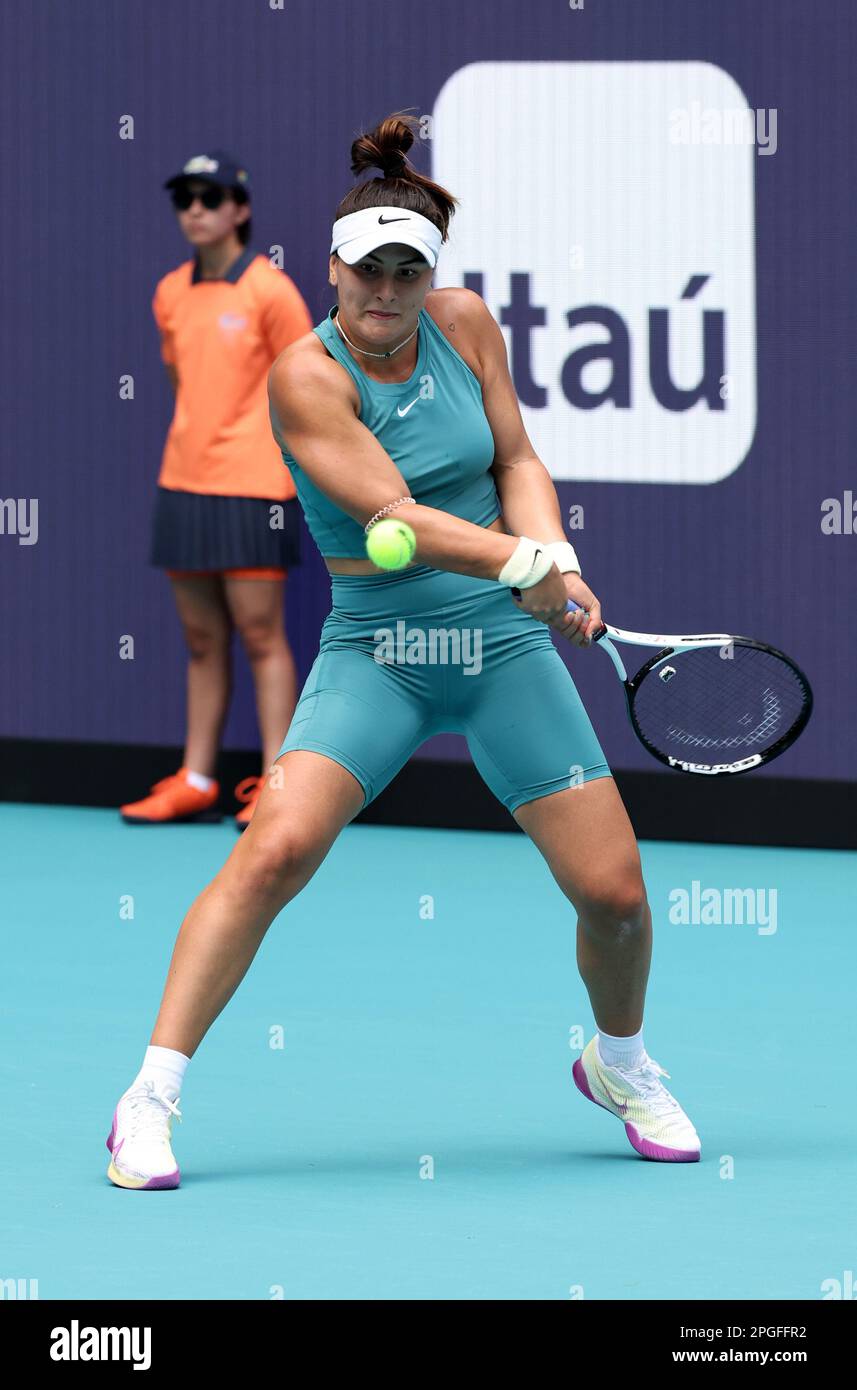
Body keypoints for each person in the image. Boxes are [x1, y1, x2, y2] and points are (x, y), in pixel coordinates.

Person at [105, 114, 700, 1190]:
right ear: (329, 268)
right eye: (366, 269)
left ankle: (617, 1064)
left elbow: (516, 451)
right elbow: (398, 516)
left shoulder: (466, 326)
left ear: (431, 276)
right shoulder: (305, 377)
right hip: (377, 649)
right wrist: (523, 560)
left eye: (405, 272)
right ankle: (148, 1098)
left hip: (504, 648)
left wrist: (552, 554)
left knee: (614, 897)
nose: (384, 292)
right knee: (274, 851)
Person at [120, 151, 312, 830]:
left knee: (262, 637)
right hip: (183, 483)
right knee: (202, 641)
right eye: (184, 199)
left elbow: (303, 390)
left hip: (256, 488)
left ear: (239, 209)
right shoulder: (170, 291)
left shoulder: (270, 291)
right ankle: (197, 777)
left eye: (209, 197)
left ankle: (278, 783)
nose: (194, 210)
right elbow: (184, 385)